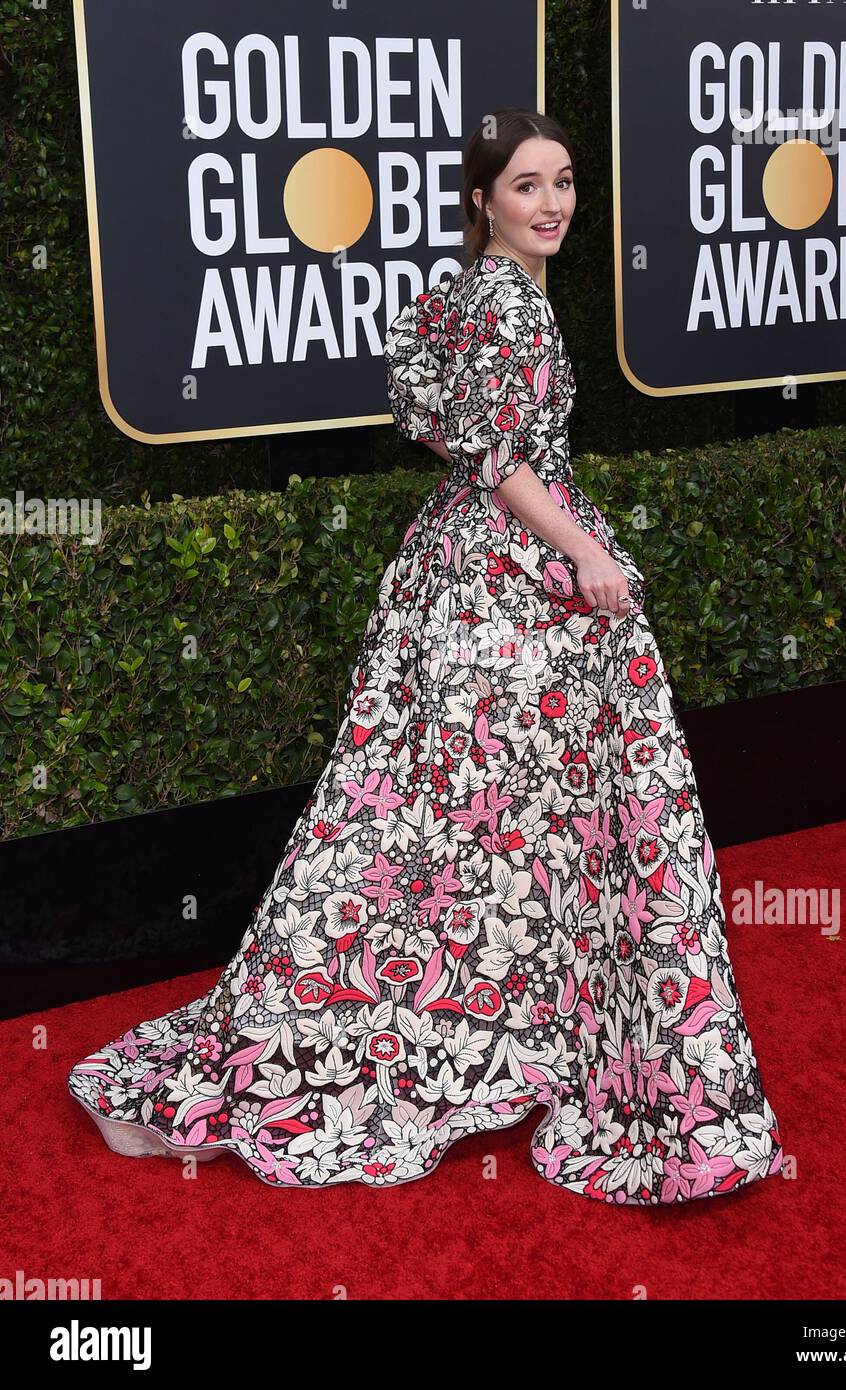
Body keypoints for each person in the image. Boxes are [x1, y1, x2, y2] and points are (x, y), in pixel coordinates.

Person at [67, 108, 784, 1206]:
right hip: (513, 576)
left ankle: (468, 1012)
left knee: (450, 816)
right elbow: (499, 457)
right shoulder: (503, 303)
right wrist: (589, 553)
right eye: (528, 186)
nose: (552, 205)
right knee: (497, 819)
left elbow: (431, 409)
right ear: (484, 198)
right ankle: (464, 1023)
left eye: (565, 181)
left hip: (459, 572)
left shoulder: (468, 290)